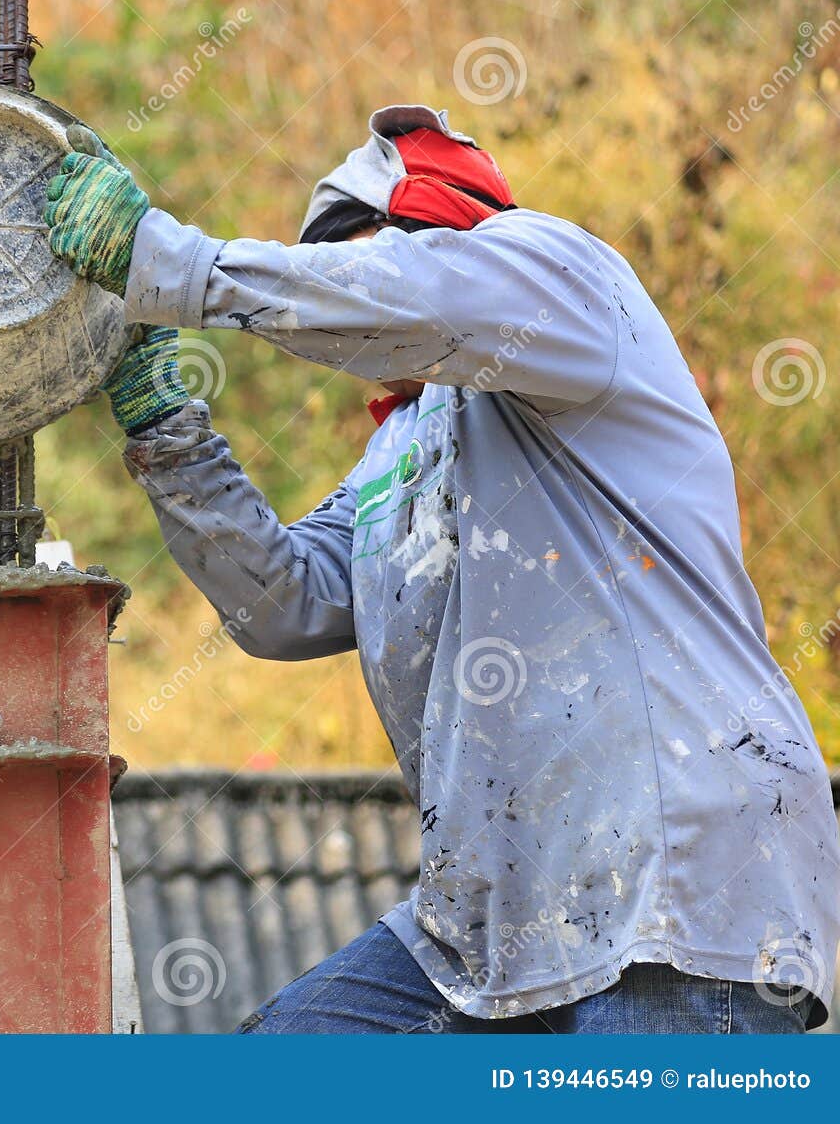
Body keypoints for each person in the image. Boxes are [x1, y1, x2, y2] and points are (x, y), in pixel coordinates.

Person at [44, 105, 840, 1033]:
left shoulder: (562, 275)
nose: (353, 289)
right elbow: (285, 602)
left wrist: (167, 262)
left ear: (437, 225)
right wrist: (163, 423)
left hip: (683, 886)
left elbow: (420, 298)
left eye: (367, 252)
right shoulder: (405, 455)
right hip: (495, 924)